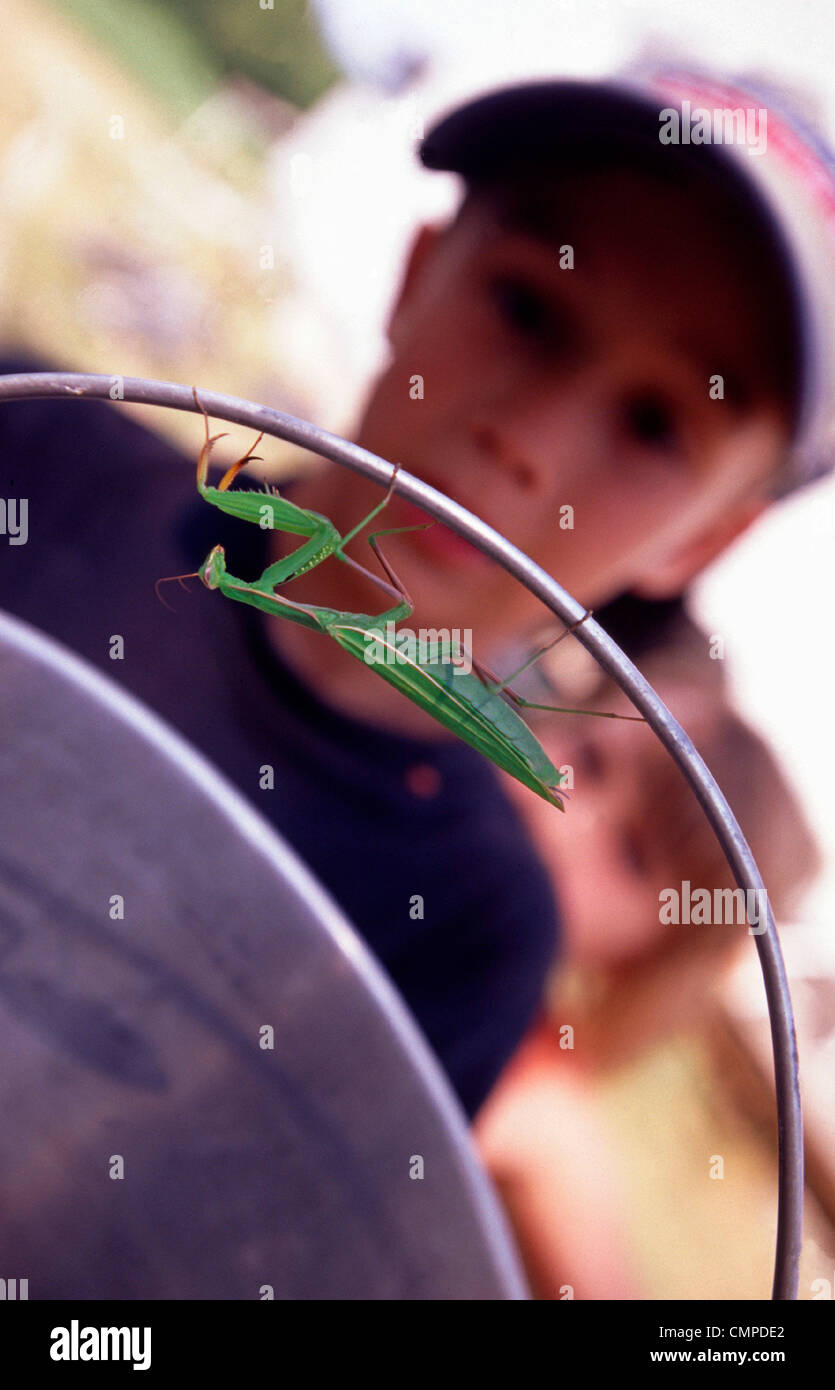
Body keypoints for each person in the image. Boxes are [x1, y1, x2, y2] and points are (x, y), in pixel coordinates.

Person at [0, 65, 832, 1119]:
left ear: (704, 539)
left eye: (655, 423)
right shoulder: (36, 451)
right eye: (528, 308)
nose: (523, 443)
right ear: (414, 278)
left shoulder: (469, 939)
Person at [474, 649, 821, 1298]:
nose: (564, 816)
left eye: (632, 855)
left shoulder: (532, 1100)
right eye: (591, 759)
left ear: (653, 954)